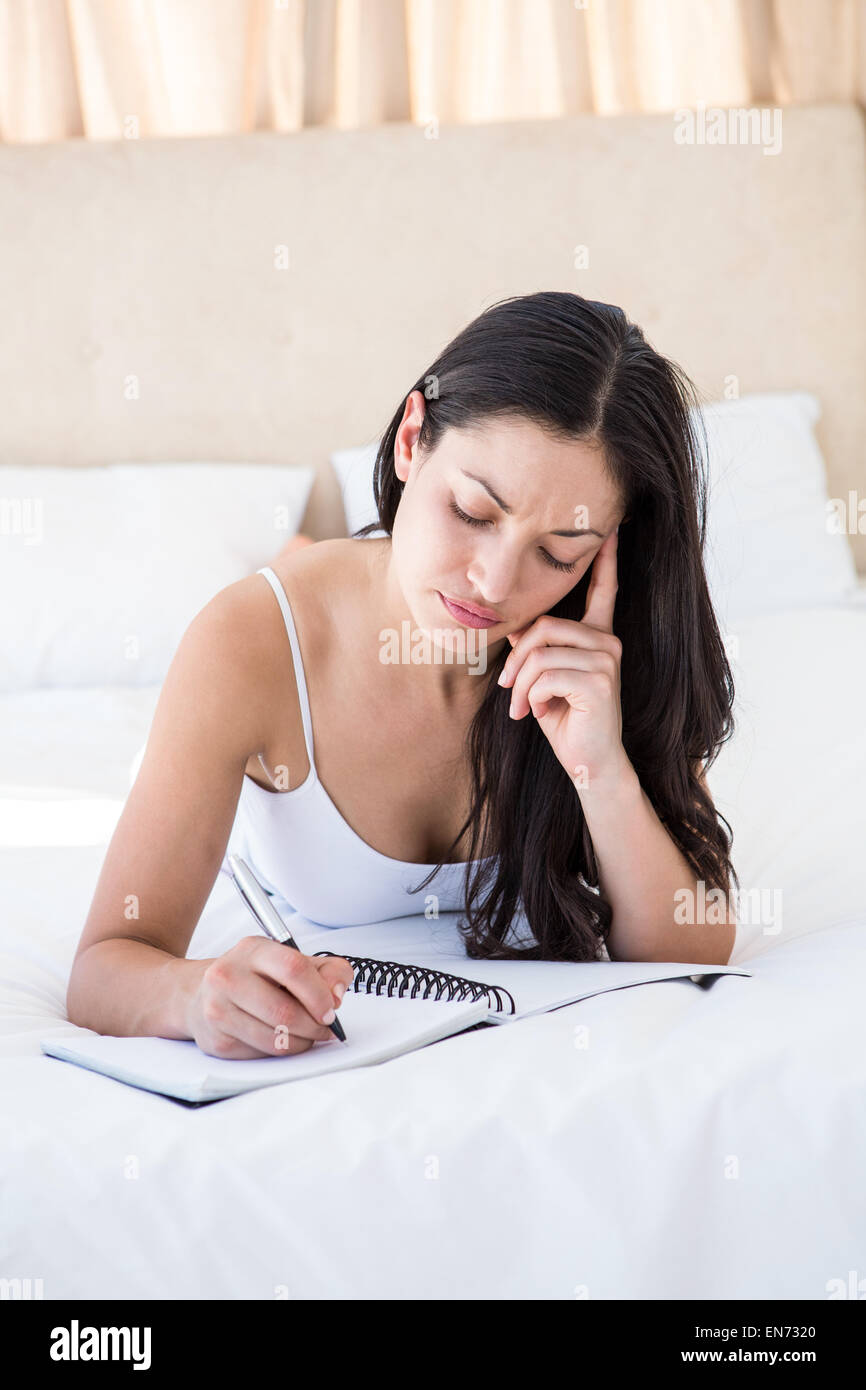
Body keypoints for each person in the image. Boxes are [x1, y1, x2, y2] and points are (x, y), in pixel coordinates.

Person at [66, 291, 738, 1060]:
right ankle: (303, 550)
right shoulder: (244, 643)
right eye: (473, 512)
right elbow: (103, 968)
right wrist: (193, 994)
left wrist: (600, 769)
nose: (491, 582)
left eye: (558, 552)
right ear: (412, 439)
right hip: (309, 631)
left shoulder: (605, 642)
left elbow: (691, 948)